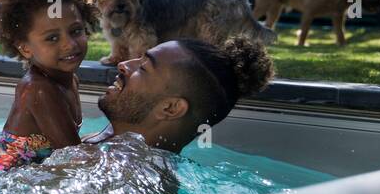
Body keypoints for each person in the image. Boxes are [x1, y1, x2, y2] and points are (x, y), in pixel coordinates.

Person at [0, 0, 100, 169]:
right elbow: (73, 154)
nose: (69, 44)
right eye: (52, 38)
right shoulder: (39, 89)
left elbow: (69, 147)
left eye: (75, 31)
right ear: (25, 48)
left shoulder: (70, 80)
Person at [85, 36, 275, 153]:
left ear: (170, 108)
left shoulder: (129, 178)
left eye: (143, 67)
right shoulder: (109, 141)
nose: (123, 65)